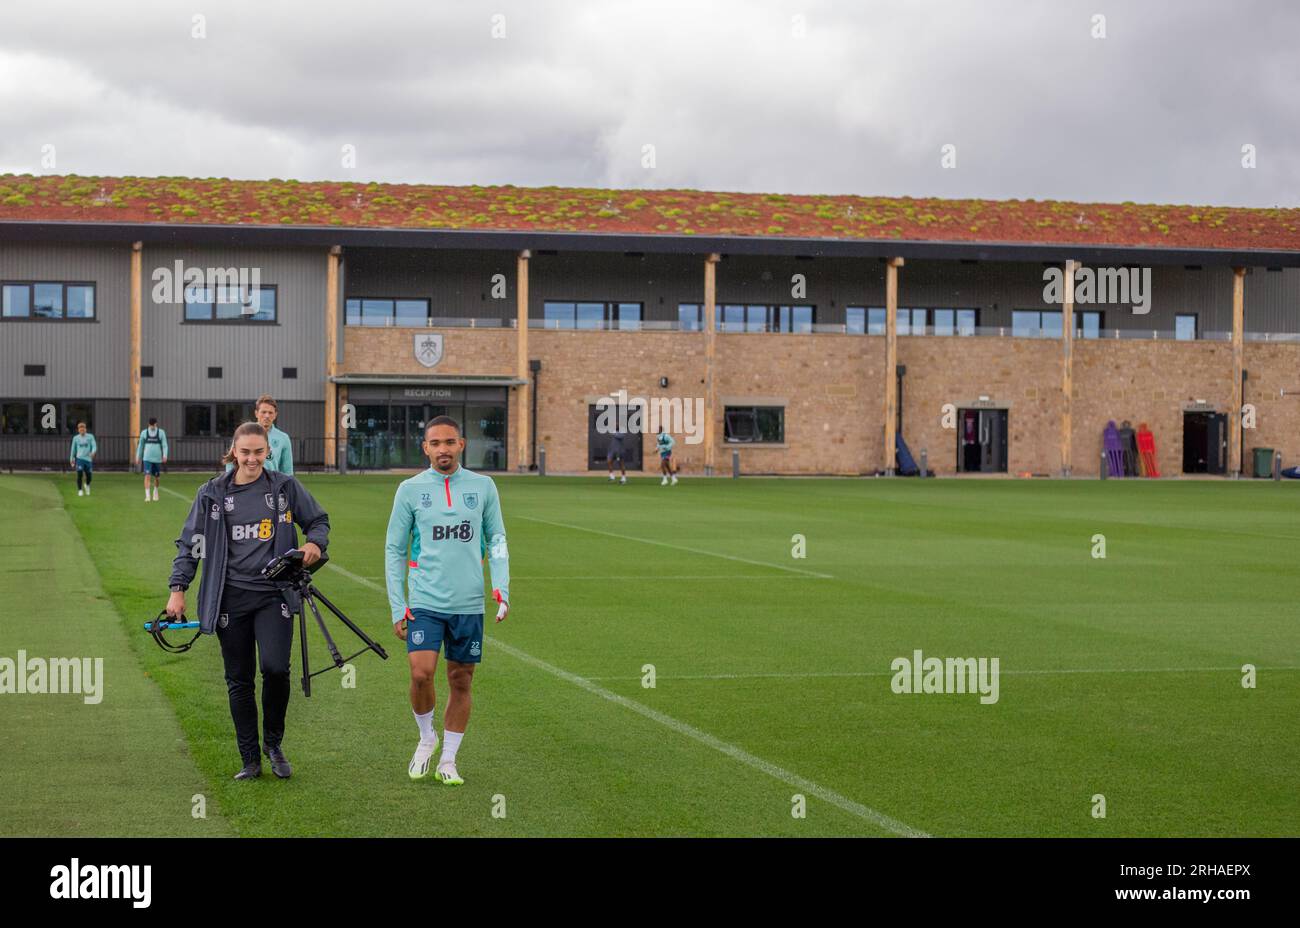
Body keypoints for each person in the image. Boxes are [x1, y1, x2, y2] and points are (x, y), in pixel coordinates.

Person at [166, 421, 330, 781]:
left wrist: (315, 543)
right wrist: (178, 589)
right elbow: (191, 543)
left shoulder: (285, 488)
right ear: (233, 452)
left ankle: (274, 744)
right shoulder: (211, 493)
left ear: (268, 451)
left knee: (275, 669)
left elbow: (318, 520)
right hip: (230, 599)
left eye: (259, 452)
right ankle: (250, 759)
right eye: (245, 452)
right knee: (238, 680)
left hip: (275, 595)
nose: (252, 459)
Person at [385, 415, 510, 786]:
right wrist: (398, 604)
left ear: (462, 445)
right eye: (435, 443)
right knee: (420, 672)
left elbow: (497, 538)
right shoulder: (409, 490)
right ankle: (427, 738)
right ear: (425, 447)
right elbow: (394, 549)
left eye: (449, 442)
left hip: (468, 603)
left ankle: (449, 761)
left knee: (460, 679)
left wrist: (501, 586)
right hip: (424, 600)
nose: (443, 449)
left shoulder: (484, 487)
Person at [225, 394, 293, 475]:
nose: (267, 416)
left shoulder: (283, 438)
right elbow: (231, 462)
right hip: (247, 484)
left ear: (275, 415)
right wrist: (230, 481)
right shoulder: (244, 433)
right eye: (263, 412)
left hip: (271, 485)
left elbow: (287, 471)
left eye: (270, 413)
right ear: (256, 413)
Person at [135, 417, 169, 502]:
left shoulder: (161, 433)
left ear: (156, 424)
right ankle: (147, 496)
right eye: (151, 425)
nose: (152, 427)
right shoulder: (144, 433)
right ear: (149, 424)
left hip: (157, 459)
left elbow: (164, 445)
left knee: (157, 477)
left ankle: (155, 491)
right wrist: (138, 457)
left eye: (154, 425)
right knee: (147, 476)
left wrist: (165, 455)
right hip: (147, 458)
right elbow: (140, 446)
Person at [68, 422, 97, 498]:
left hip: (88, 459)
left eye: (83, 428)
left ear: (85, 429)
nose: (82, 430)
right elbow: (73, 449)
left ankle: (87, 485)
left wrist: (93, 452)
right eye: (80, 429)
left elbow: (94, 446)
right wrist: (71, 458)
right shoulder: (76, 438)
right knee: (79, 473)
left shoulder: (90, 437)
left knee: (89, 476)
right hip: (79, 459)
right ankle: (80, 490)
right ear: (78, 430)